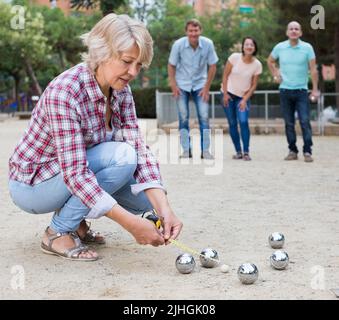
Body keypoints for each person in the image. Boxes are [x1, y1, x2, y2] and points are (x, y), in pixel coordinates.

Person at [8, 14, 182, 261]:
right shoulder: (65, 91)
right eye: (126, 61)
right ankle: (57, 232)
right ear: (102, 53)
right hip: (33, 185)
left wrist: (165, 210)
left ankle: (78, 222)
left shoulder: (121, 91)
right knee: (122, 157)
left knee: (146, 199)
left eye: (139, 65)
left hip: (69, 175)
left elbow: (140, 151)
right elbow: (76, 173)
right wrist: (131, 224)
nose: (133, 72)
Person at [267, 21, 319, 162]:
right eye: (291, 29)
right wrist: (276, 74)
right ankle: (292, 150)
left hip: (302, 90)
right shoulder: (280, 47)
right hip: (285, 90)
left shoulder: (307, 48)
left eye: (296, 29)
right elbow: (270, 61)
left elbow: (313, 70)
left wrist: (314, 89)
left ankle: (307, 151)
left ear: (300, 32)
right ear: (287, 32)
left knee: (304, 121)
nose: (294, 31)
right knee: (289, 123)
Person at [168, 19, 218, 159]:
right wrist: (174, 86)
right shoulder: (178, 45)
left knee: (204, 117)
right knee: (183, 118)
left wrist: (207, 88)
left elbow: (213, 65)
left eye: (196, 30)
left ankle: (205, 150)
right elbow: (171, 65)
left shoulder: (208, 44)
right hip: (182, 84)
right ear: (186, 32)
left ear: (200, 31)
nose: (193, 33)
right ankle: (186, 150)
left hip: (200, 85)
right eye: (190, 31)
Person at [221, 37, 262, 161]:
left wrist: (245, 99)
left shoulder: (257, 64)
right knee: (232, 123)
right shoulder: (234, 57)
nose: (249, 46)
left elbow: (254, 84)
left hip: (242, 97)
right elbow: (225, 76)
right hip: (228, 94)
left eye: (251, 45)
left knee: (243, 122)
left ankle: (246, 152)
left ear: (254, 48)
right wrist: (225, 94)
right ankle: (238, 151)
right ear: (243, 47)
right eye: (247, 44)